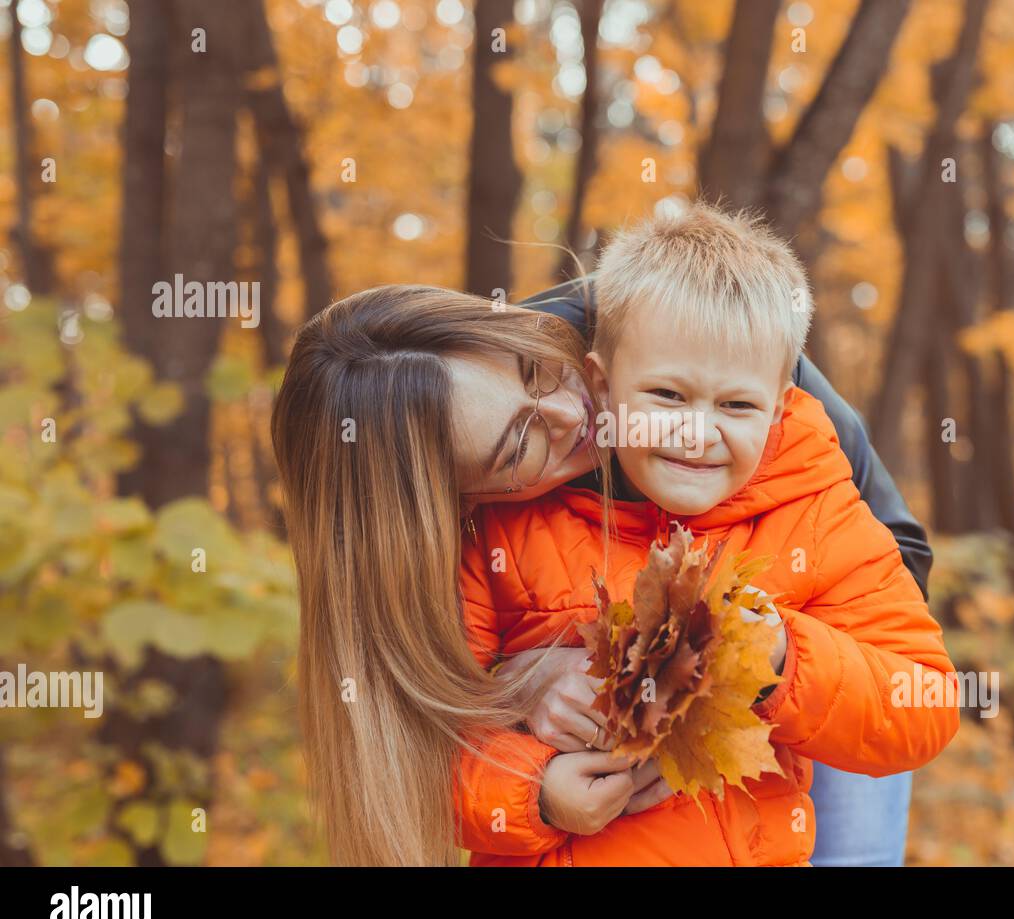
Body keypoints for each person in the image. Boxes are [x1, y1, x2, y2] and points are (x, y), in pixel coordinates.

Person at [271, 228, 934, 868]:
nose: (573, 413)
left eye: (535, 374)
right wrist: (516, 703)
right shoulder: (481, 542)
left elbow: (896, 652)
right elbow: (423, 748)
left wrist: (763, 659)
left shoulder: (679, 320)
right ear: (460, 504)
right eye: (517, 444)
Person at [455, 203, 958, 865]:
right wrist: (533, 790)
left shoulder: (818, 514)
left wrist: (781, 656)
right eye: (666, 395)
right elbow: (423, 738)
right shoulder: (510, 517)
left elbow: (919, 703)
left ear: (779, 409)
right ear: (602, 387)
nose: (696, 432)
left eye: (737, 406)